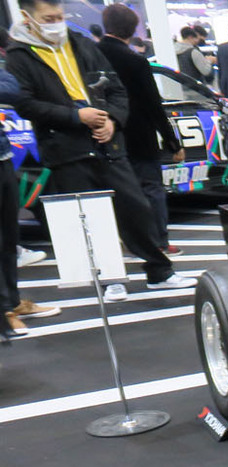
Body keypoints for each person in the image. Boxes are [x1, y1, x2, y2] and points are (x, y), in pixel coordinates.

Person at [6, 0, 191, 300]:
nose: (55, 23)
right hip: (66, 150)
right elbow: (25, 104)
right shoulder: (19, 56)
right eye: (48, 18)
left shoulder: (80, 44)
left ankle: (160, 271)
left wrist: (114, 121)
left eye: (59, 16)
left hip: (108, 143)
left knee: (136, 207)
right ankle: (111, 279)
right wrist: (75, 117)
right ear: (28, 18)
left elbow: (116, 89)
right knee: (92, 219)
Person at [98, 4, 183, 255]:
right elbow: (153, 104)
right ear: (133, 28)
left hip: (102, 133)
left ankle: (129, 241)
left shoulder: (91, 55)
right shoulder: (135, 61)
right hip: (139, 135)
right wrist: (172, 142)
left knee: (120, 193)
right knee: (151, 190)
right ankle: (158, 242)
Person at [0, 52, 59, 338]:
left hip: (3, 157)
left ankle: (11, 303)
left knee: (9, 238)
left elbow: (12, 90)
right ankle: (5, 312)